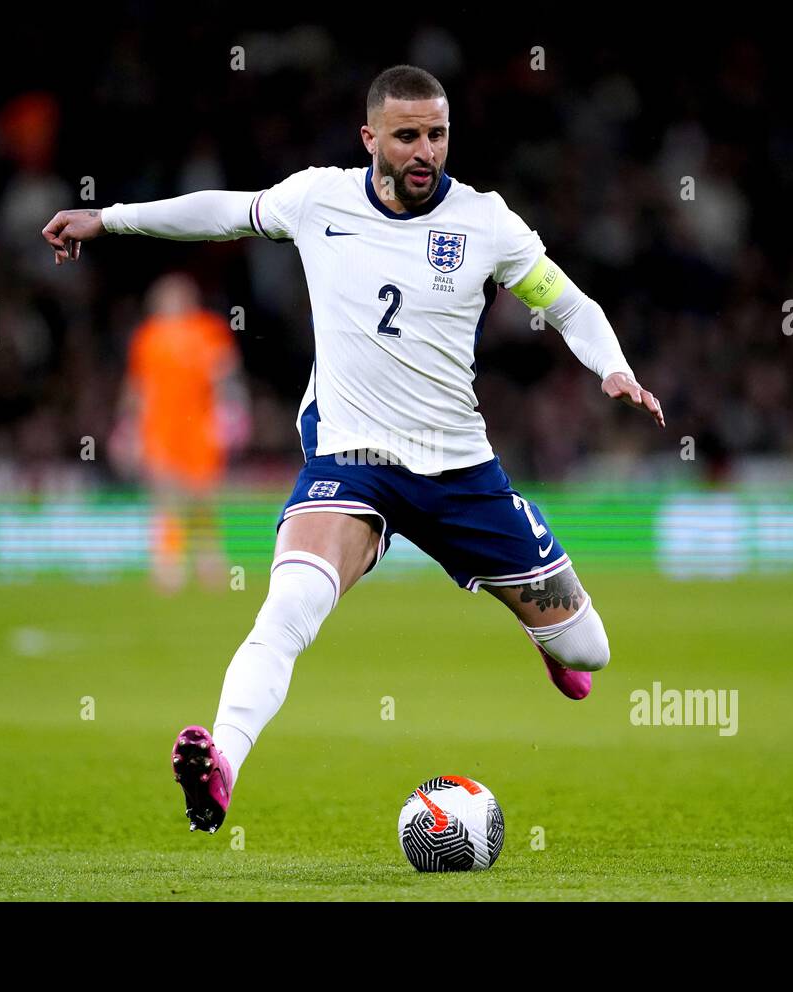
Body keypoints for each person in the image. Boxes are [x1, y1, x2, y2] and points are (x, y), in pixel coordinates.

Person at [42, 64, 664, 835]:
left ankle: (544, 631)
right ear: (369, 138)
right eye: (407, 136)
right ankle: (223, 761)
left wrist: (614, 369)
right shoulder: (318, 198)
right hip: (351, 462)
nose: (424, 150)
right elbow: (222, 213)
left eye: (436, 134)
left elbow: (567, 304)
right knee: (288, 608)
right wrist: (110, 220)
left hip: (460, 471)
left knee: (591, 649)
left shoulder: (486, 222)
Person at [112, 273, 248, 592]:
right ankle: (168, 565)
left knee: (203, 498)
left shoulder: (209, 330)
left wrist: (232, 415)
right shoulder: (148, 336)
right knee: (165, 499)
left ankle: (207, 560)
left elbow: (226, 376)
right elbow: (137, 386)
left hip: (199, 427)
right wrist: (127, 428)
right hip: (160, 428)